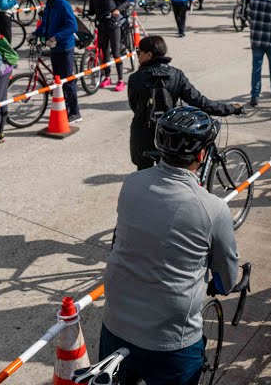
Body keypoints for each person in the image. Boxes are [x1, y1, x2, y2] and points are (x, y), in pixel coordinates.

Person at [100, 106, 241, 385]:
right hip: (170, 341)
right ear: (201, 155)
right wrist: (224, 285)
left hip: (115, 323)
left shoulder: (132, 183)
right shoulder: (213, 209)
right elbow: (227, 278)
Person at [126, 36, 241, 170]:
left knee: (143, 175)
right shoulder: (176, 75)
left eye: (139, 52)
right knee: (172, 175)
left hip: (143, 136)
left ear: (149, 54)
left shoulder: (135, 78)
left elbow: (134, 105)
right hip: (170, 136)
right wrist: (230, 109)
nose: (137, 55)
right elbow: (200, 102)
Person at [31, 0, 82, 124]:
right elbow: (45, 23)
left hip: (64, 46)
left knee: (67, 80)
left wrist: (56, 37)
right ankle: (63, 106)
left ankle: (75, 112)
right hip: (54, 47)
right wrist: (35, 33)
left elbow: (73, 26)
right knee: (58, 80)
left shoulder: (63, 4)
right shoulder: (50, 4)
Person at [84, 0, 130, 91]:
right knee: (104, 52)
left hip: (113, 25)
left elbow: (126, 1)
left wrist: (118, 10)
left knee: (116, 52)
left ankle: (120, 80)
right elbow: (92, 11)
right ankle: (107, 76)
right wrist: (83, 12)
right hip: (101, 25)